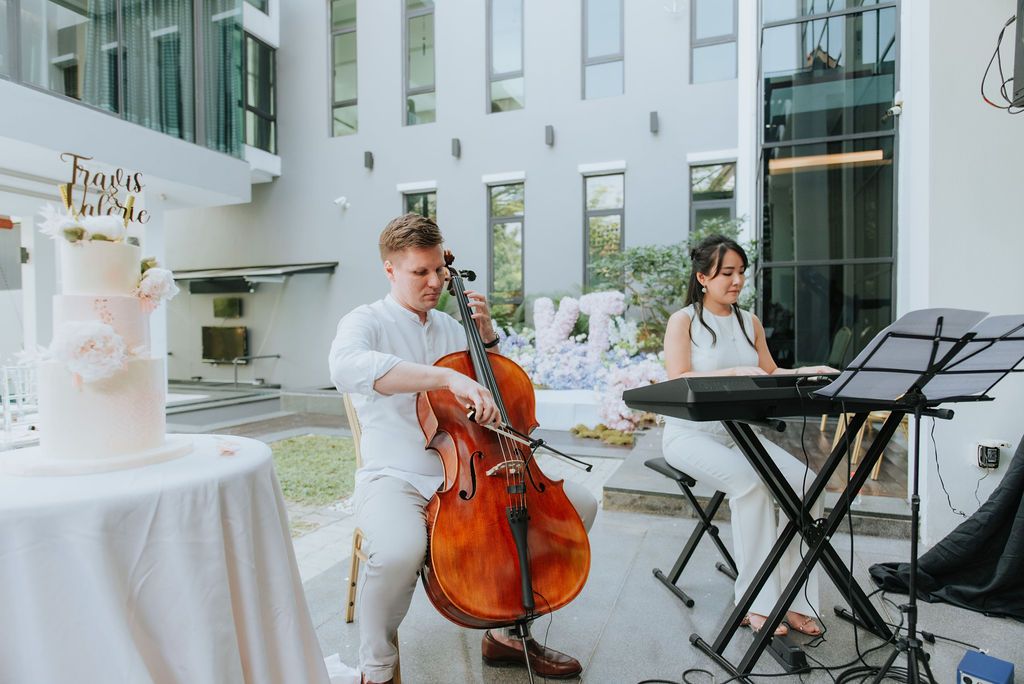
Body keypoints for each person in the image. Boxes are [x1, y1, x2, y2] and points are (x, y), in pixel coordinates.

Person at [329, 213, 598, 684]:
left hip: (474, 472)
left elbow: (502, 392)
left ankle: (509, 634)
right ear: (390, 269)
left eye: (439, 269)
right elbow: (346, 367)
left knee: (579, 507)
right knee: (397, 552)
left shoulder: (453, 329)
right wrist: (445, 377)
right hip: (397, 475)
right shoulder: (366, 321)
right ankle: (377, 667)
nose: (435, 282)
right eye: (420, 272)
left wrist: (487, 338)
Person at [661, 234, 834, 637]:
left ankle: (796, 599)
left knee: (808, 485)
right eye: (727, 273)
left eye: (741, 272)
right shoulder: (683, 321)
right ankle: (757, 601)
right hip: (690, 437)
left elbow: (770, 372)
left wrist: (809, 372)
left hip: (739, 437)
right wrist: (733, 372)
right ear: (703, 277)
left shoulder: (748, 321)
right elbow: (678, 377)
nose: (737, 281)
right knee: (751, 486)